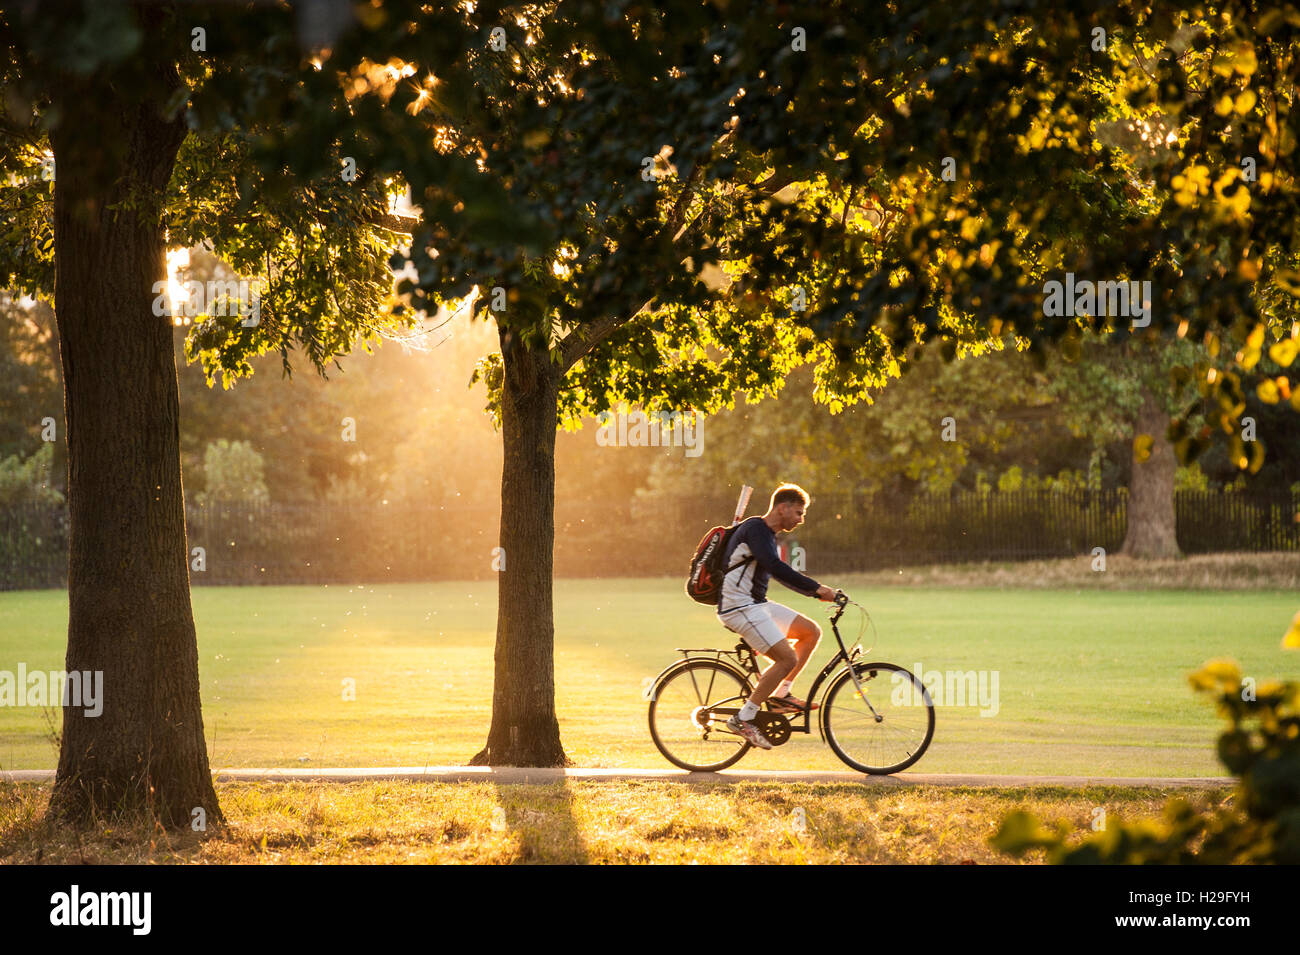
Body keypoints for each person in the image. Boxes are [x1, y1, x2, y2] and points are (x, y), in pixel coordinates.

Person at [717, 483, 837, 750]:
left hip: (757, 605)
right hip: (739, 608)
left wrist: (815, 592)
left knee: (810, 632)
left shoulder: (767, 535)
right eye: (798, 512)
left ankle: (781, 694)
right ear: (782, 508)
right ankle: (744, 718)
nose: (801, 519)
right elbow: (777, 568)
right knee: (787, 658)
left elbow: (777, 572)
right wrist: (817, 589)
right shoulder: (756, 529)